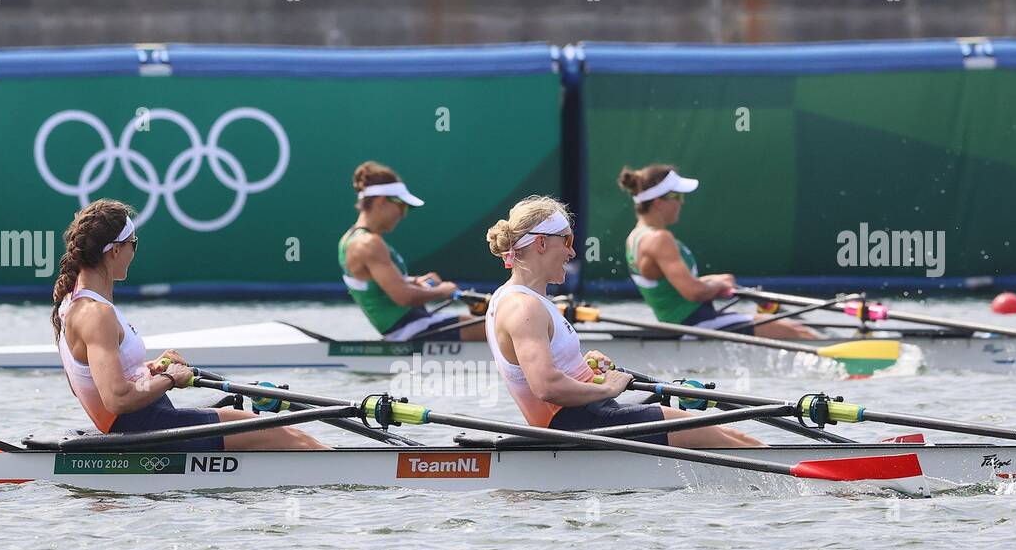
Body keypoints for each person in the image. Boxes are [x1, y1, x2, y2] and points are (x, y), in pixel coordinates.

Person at [484, 196, 764, 448]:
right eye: (566, 240)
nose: (571, 253)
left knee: (736, 438)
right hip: (580, 425)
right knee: (743, 448)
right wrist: (607, 387)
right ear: (542, 243)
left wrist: (583, 367)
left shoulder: (515, 299)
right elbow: (546, 387)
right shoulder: (523, 307)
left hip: (593, 415)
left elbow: (551, 371)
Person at [51, 200, 325, 451]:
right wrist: (170, 379)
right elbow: (117, 399)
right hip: (150, 430)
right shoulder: (96, 315)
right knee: (293, 439)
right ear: (115, 250)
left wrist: (151, 369)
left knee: (276, 436)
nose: (135, 251)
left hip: (146, 423)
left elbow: (95, 385)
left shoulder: (70, 304)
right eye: (134, 243)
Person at [618, 165, 819, 338]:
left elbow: (670, 286)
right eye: (677, 196)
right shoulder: (659, 239)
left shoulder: (634, 238)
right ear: (658, 203)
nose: (682, 202)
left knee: (786, 325)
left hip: (689, 321)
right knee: (797, 333)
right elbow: (694, 292)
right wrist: (715, 286)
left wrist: (714, 280)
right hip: (694, 325)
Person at [339, 161, 487, 342]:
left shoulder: (349, 239)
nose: (403, 214)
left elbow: (379, 283)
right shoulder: (368, 244)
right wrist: (442, 291)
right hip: (409, 331)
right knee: (498, 331)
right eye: (401, 206)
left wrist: (415, 281)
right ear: (380, 201)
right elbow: (403, 296)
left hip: (415, 324)